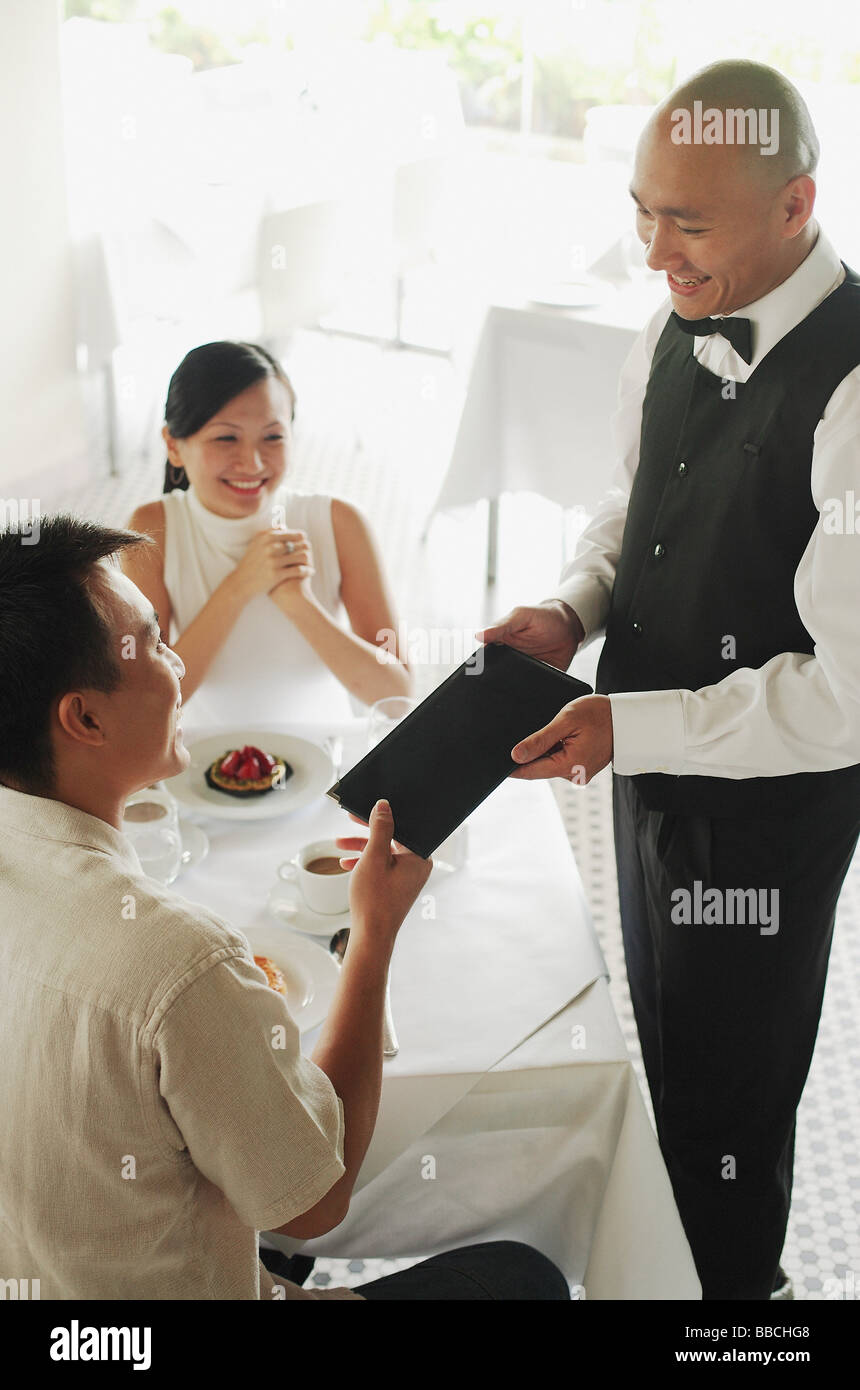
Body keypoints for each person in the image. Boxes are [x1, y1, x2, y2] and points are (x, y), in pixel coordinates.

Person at [478, 60, 860, 1301]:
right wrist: (571, 605)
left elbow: (844, 694)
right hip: (638, 767)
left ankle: (741, 1312)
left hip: (758, 820)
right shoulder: (674, 319)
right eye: (641, 211)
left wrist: (623, 724)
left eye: (684, 222)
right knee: (669, 1057)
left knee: (730, 1106)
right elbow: (629, 503)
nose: (652, 252)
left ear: (795, 203)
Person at [0, 515, 568, 1301]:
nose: (176, 664)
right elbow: (314, 1205)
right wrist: (371, 935)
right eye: (155, 645)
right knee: (523, 1277)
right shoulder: (177, 963)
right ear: (85, 718)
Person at [123, 340, 410, 729]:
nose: (252, 463)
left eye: (273, 437)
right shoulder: (151, 530)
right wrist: (241, 585)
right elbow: (148, 706)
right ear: (174, 445)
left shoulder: (339, 523)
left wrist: (299, 603)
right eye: (227, 438)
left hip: (325, 763)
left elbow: (397, 697)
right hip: (201, 767)